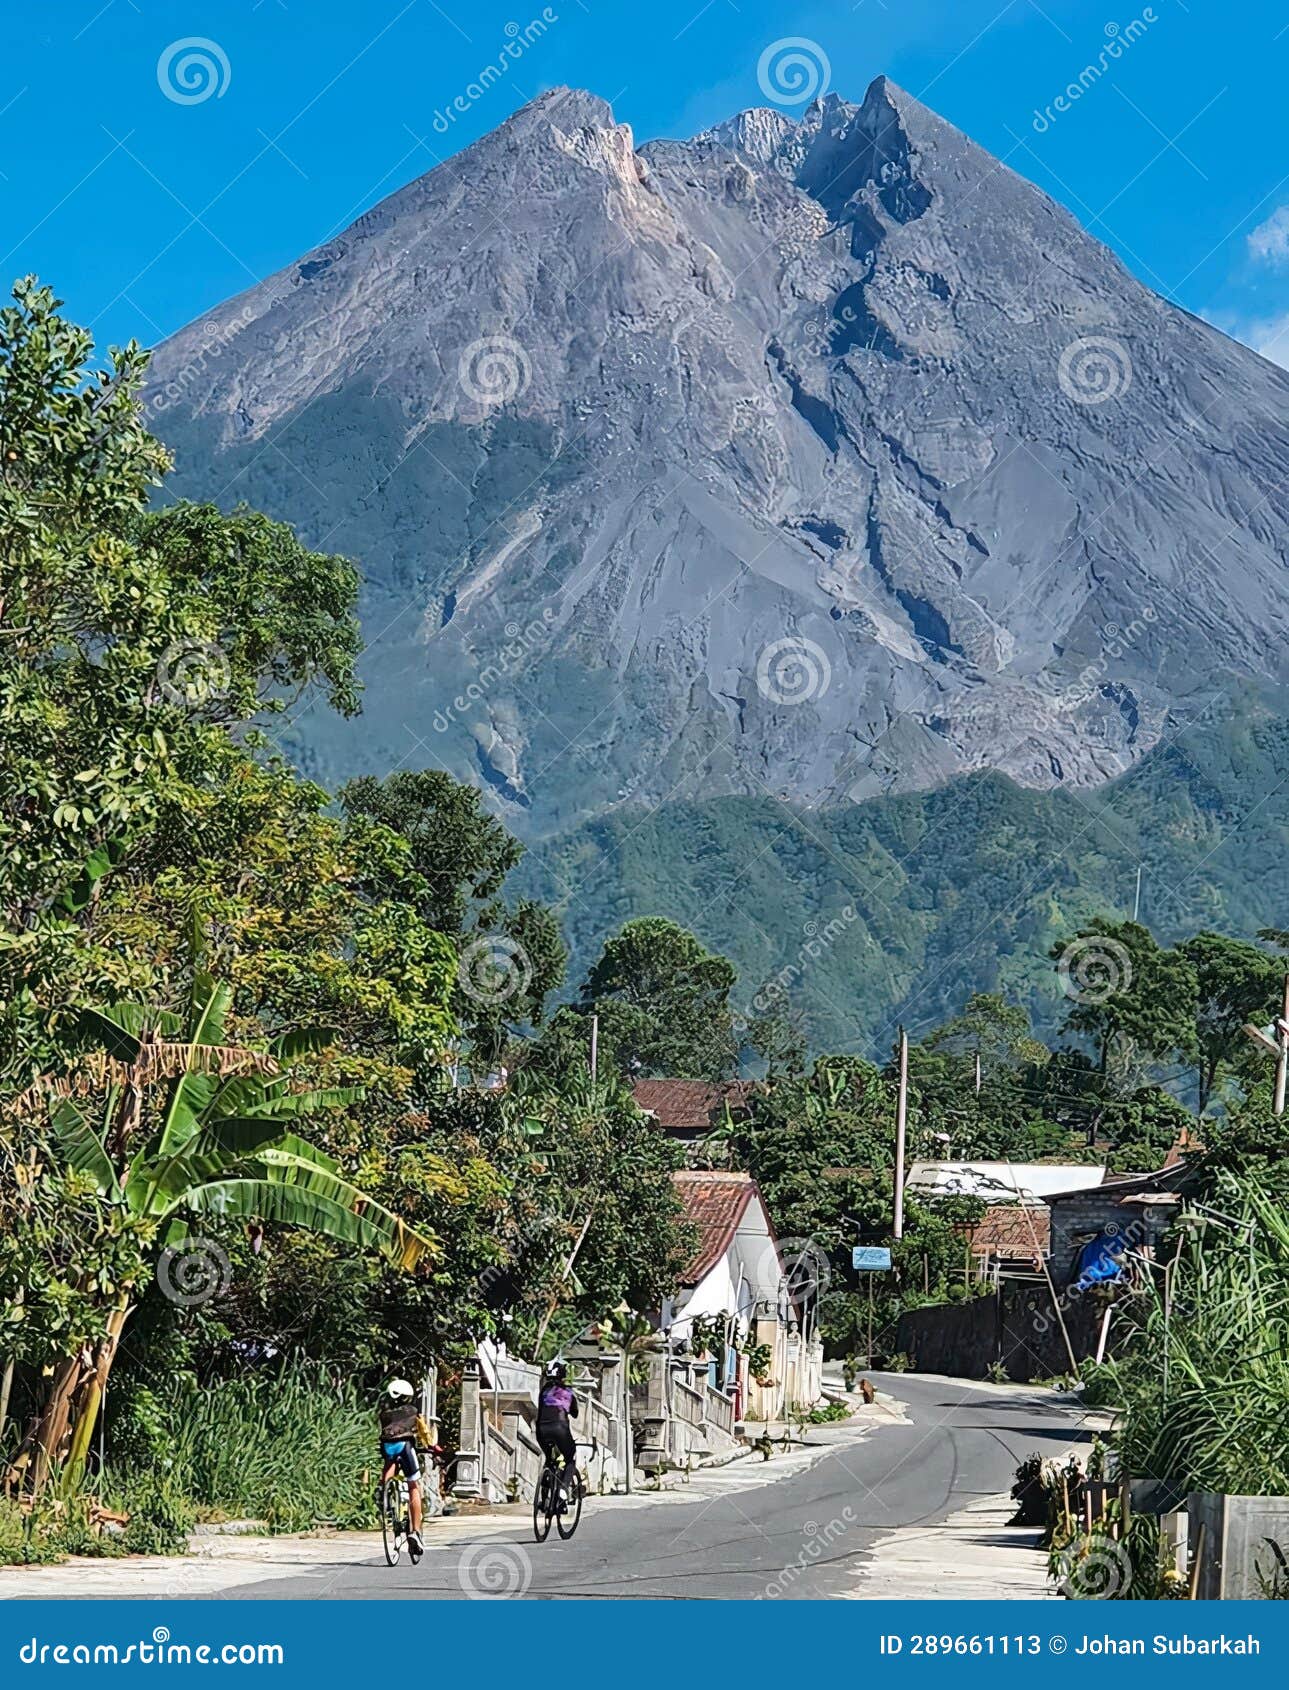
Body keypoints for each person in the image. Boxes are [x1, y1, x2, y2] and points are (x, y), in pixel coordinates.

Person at [379, 1377, 431, 1558]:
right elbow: (424, 1432)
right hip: (405, 1447)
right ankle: (415, 1531)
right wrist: (431, 1445)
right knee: (413, 1486)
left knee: (390, 1465)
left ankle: (384, 1493)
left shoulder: (384, 1413)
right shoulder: (414, 1411)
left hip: (387, 1447)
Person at [535, 1360, 578, 1508]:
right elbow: (575, 1413)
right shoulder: (568, 1392)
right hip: (560, 1429)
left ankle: (544, 1499)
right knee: (570, 1458)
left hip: (541, 1430)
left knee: (549, 1460)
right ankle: (563, 1490)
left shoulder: (543, 1392)